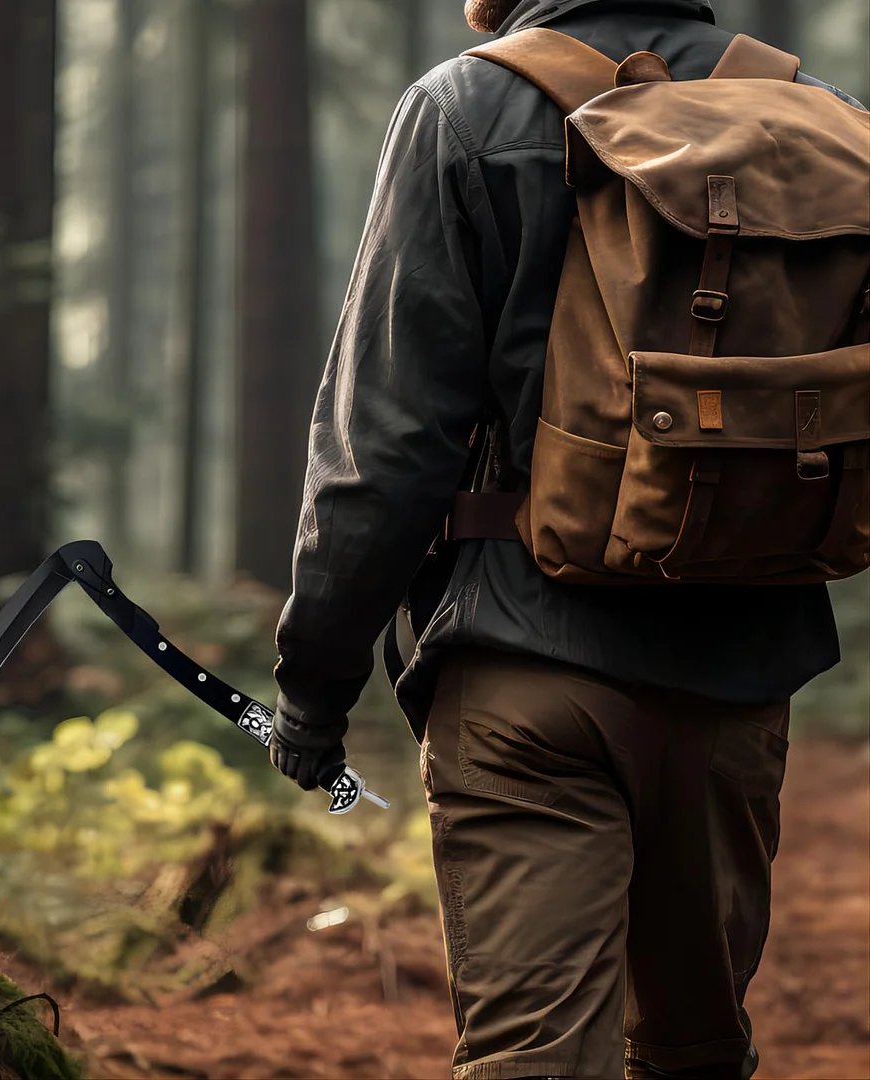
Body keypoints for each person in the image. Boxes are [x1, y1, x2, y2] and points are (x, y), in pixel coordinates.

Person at [267, 2, 866, 1077]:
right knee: (694, 1051)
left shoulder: (464, 111)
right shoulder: (819, 116)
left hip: (523, 664)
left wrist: (312, 686)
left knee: (533, 1059)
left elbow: (387, 444)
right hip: (741, 669)